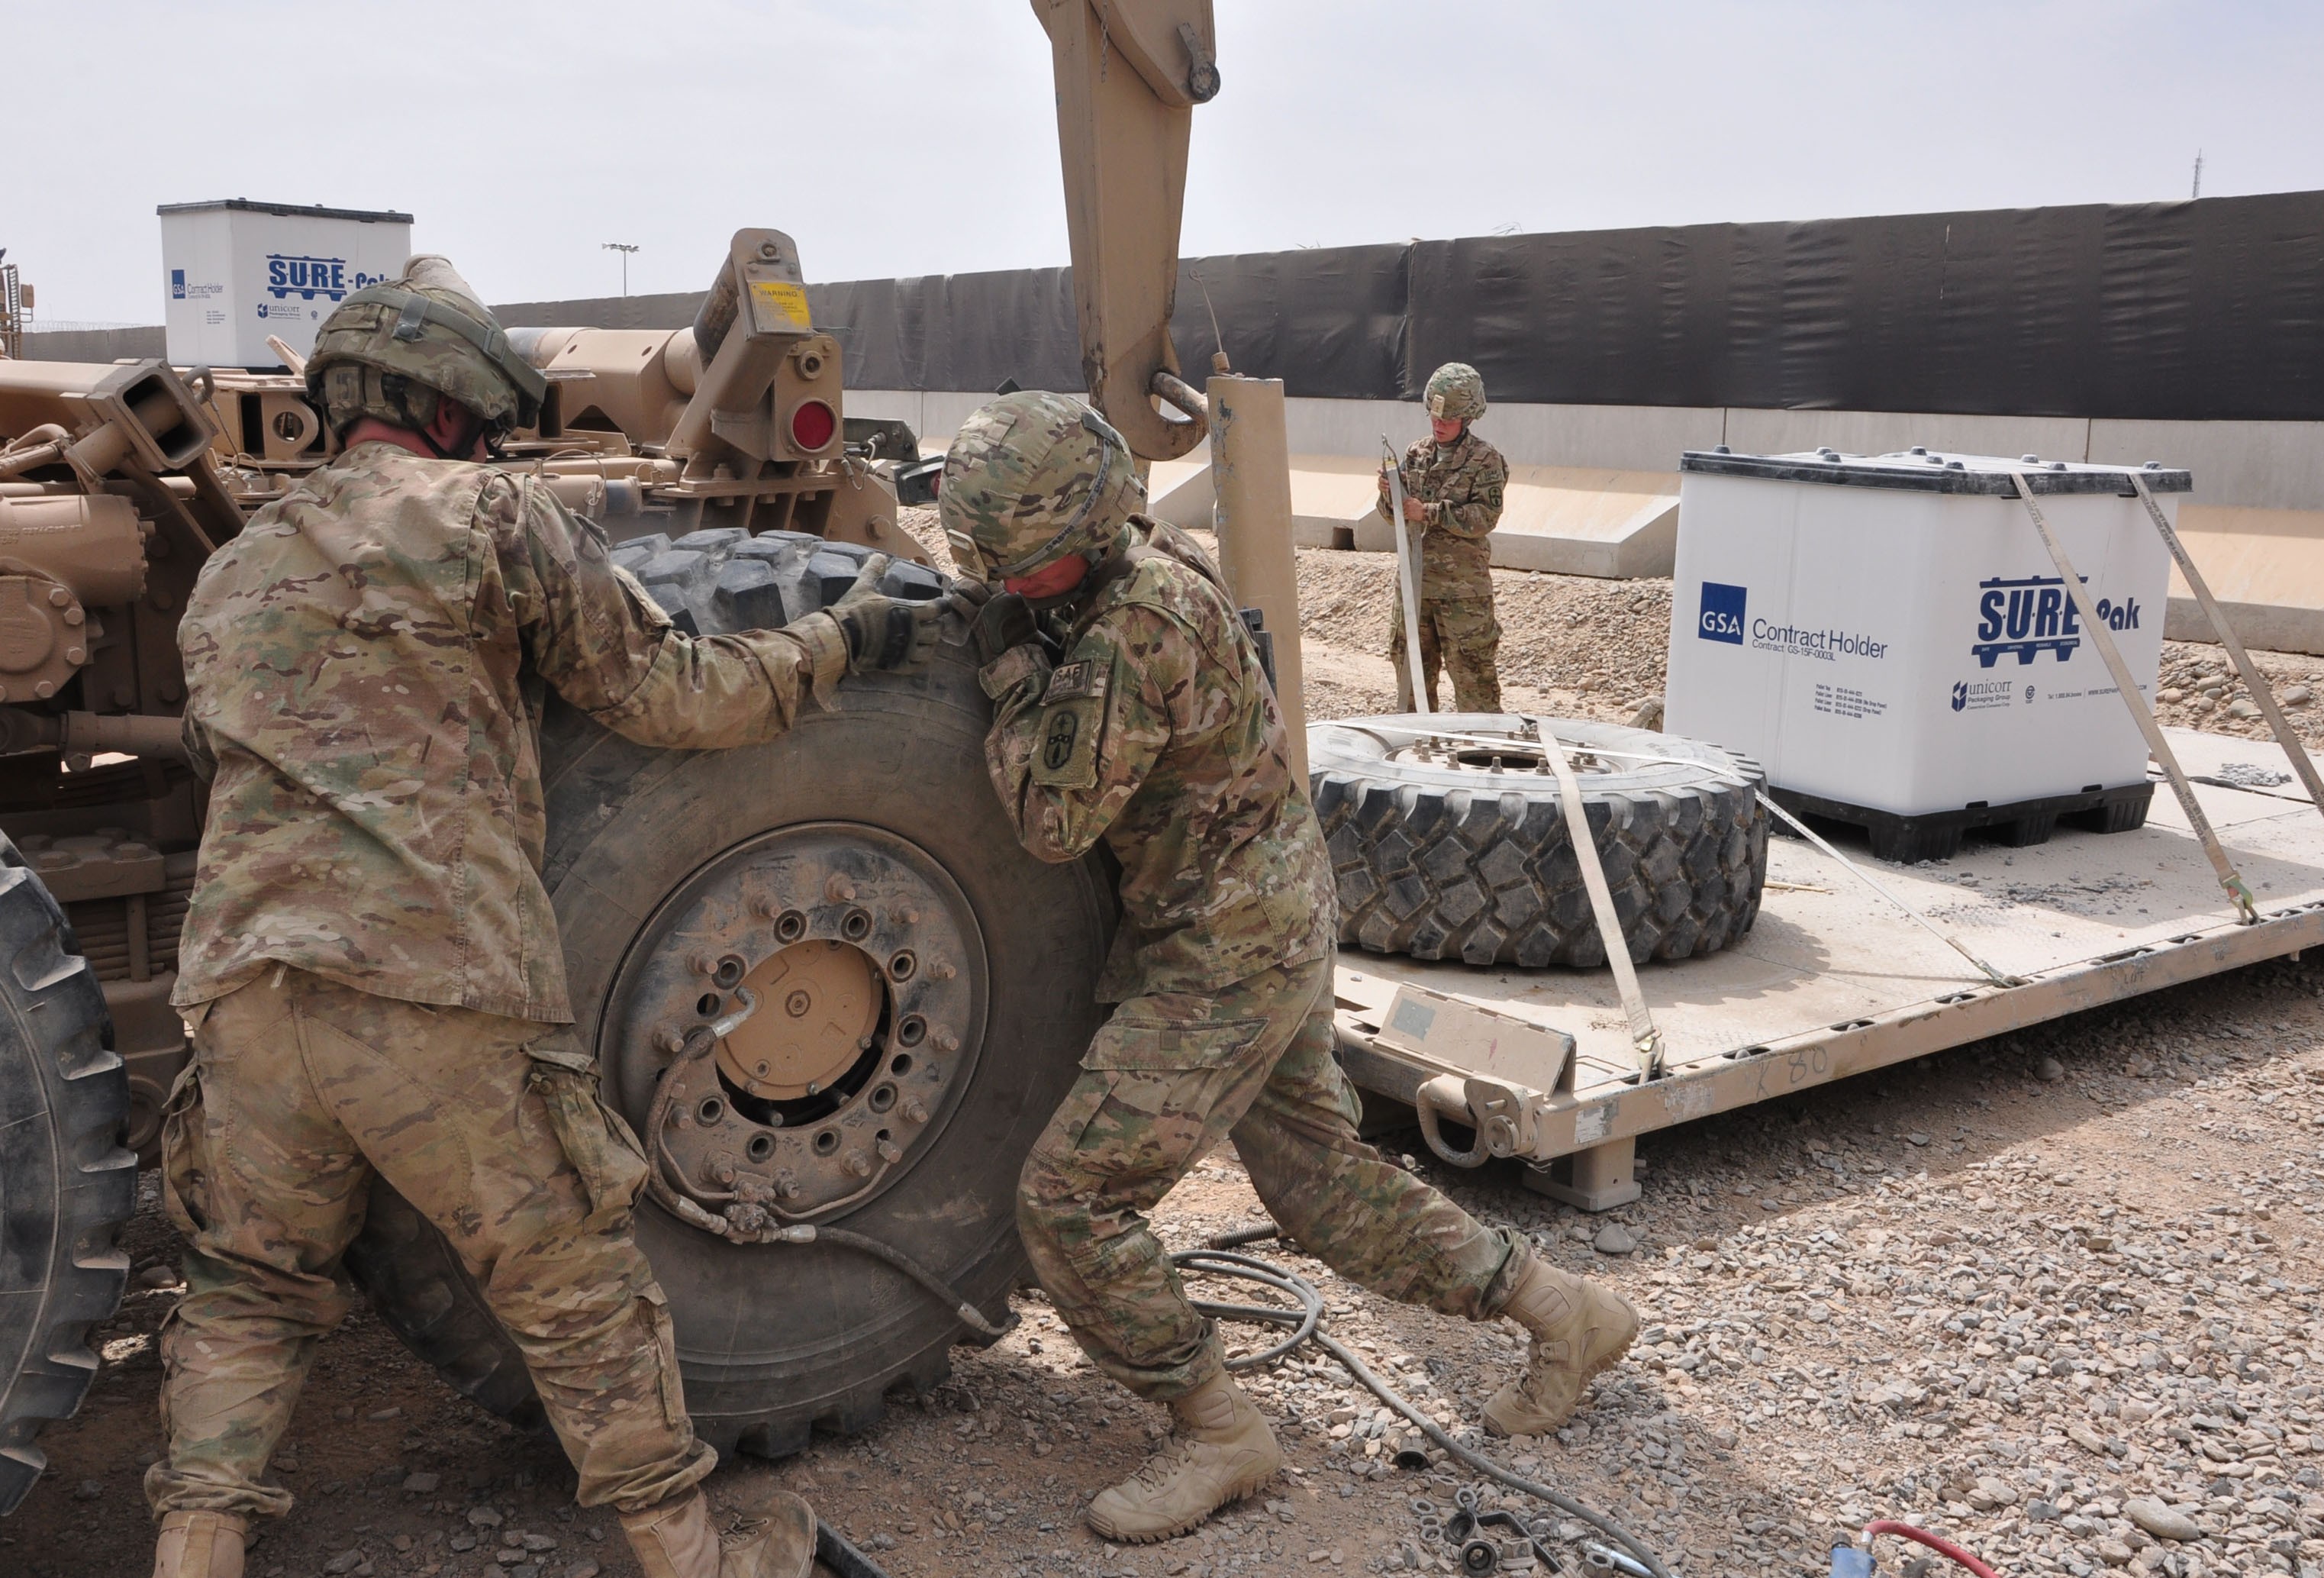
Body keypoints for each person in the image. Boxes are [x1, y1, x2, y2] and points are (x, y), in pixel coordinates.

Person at [148, 255, 935, 1578]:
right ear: (457, 403)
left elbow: (211, 753)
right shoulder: (490, 519)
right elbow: (673, 696)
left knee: (251, 1284)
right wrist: (840, 641)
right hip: (431, 988)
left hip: (244, 994)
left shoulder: (232, 570)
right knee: (570, 1280)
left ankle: (196, 1549)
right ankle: (693, 1556)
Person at [937, 391, 1638, 1544]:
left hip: (1224, 943)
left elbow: (1049, 820)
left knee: (1070, 1200)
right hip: (1274, 903)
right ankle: (1562, 1307)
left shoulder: (1129, 633)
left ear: (1088, 529)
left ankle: (1219, 1429)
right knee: (1316, 1177)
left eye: (1026, 569)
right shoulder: (1144, 557)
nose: (1010, 587)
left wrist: (1010, 671)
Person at [1375, 361, 1508, 712]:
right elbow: (1394, 518)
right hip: (1415, 589)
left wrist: (1429, 512)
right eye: (1435, 418)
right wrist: (1390, 493)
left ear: (1468, 418)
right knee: (1411, 683)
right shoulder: (1416, 455)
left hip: (1462, 594)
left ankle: (1482, 755)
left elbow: (1484, 518)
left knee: (1474, 683)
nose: (1439, 426)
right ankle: (1417, 752)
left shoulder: (1485, 459)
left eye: (1448, 420)